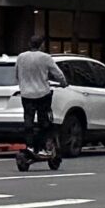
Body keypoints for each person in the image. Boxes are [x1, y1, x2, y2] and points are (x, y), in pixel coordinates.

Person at [13, 42, 65, 171]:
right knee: (44, 122)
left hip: (26, 94)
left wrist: (22, 84)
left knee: (28, 121)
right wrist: (63, 82)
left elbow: (16, 74)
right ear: (41, 45)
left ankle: (30, 146)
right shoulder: (45, 57)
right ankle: (42, 148)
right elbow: (57, 73)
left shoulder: (21, 57)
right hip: (42, 94)